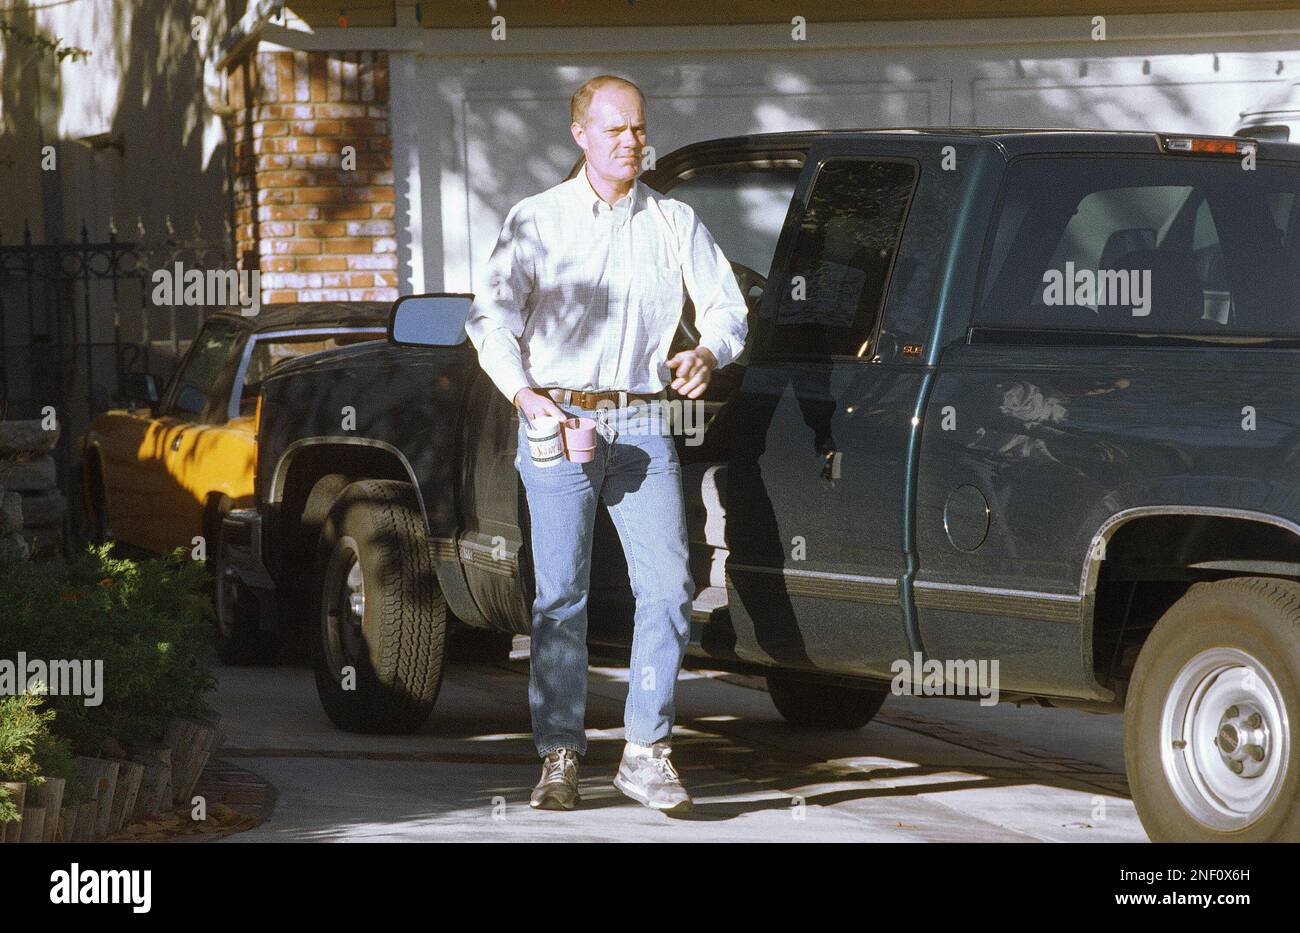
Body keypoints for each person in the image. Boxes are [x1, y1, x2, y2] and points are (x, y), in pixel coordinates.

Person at [464, 75, 748, 814]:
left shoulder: (673, 221)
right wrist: (524, 394)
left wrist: (707, 352)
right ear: (580, 134)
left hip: (644, 420)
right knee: (561, 594)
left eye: (638, 129)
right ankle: (559, 752)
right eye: (615, 129)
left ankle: (647, 752)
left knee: (668, 589)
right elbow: (489, 317)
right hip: (558, 422)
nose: (630, 141)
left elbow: (726, 308)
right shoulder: (538, 220)